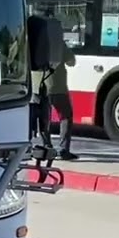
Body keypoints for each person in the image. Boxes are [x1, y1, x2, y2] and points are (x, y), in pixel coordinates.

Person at [46, 14, 79, 161]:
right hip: (57, 86)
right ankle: (63, 149)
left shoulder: (33, 42)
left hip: (37, 86)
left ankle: (45, 147)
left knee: (42, 119)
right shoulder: (59, 44)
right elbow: (72, 61)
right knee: (66, 116)